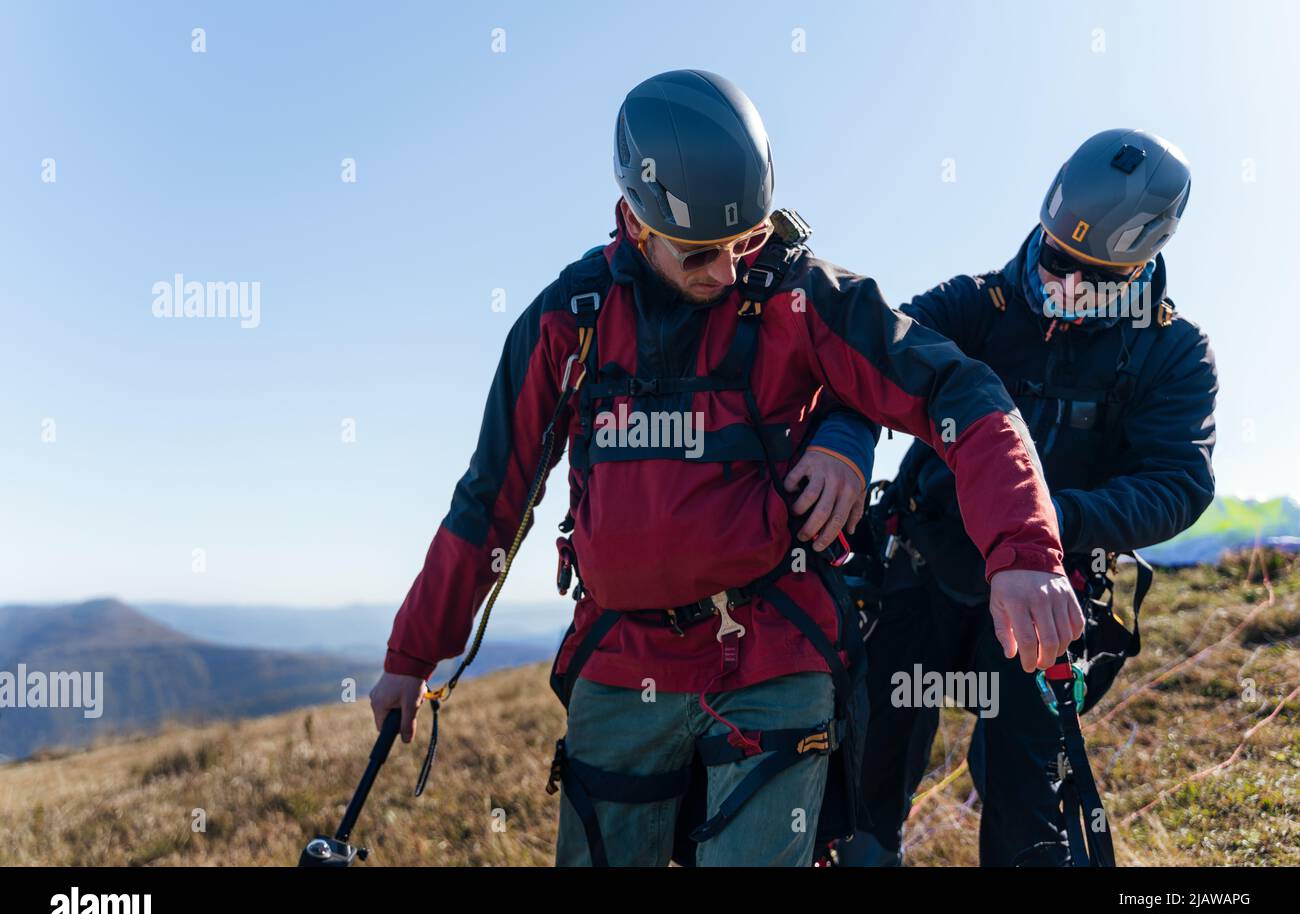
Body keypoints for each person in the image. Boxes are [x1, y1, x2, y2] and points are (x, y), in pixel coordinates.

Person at [369, 69, 1083, 867]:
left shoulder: (802, 300)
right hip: (619, 659)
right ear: (636, 224)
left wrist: (1023, 554)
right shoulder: (567, 324)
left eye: (747, 240)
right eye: (703, 252)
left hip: (775, 650)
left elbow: (962, 392)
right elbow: (488, 500)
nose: (730, 269)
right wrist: (411, 657)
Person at [838, 129, 1217, 867]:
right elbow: (867, 357)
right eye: (1052, 257)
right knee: (867, 776)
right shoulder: (975, 305)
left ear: (1141, 261)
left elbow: (1180, 481)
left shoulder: (1171, 353)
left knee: (1025, 804)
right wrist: (844, 447)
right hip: (925, 567)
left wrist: (1052, 522)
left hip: (1047, 599)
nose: (1061, 284)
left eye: (1091, 275)